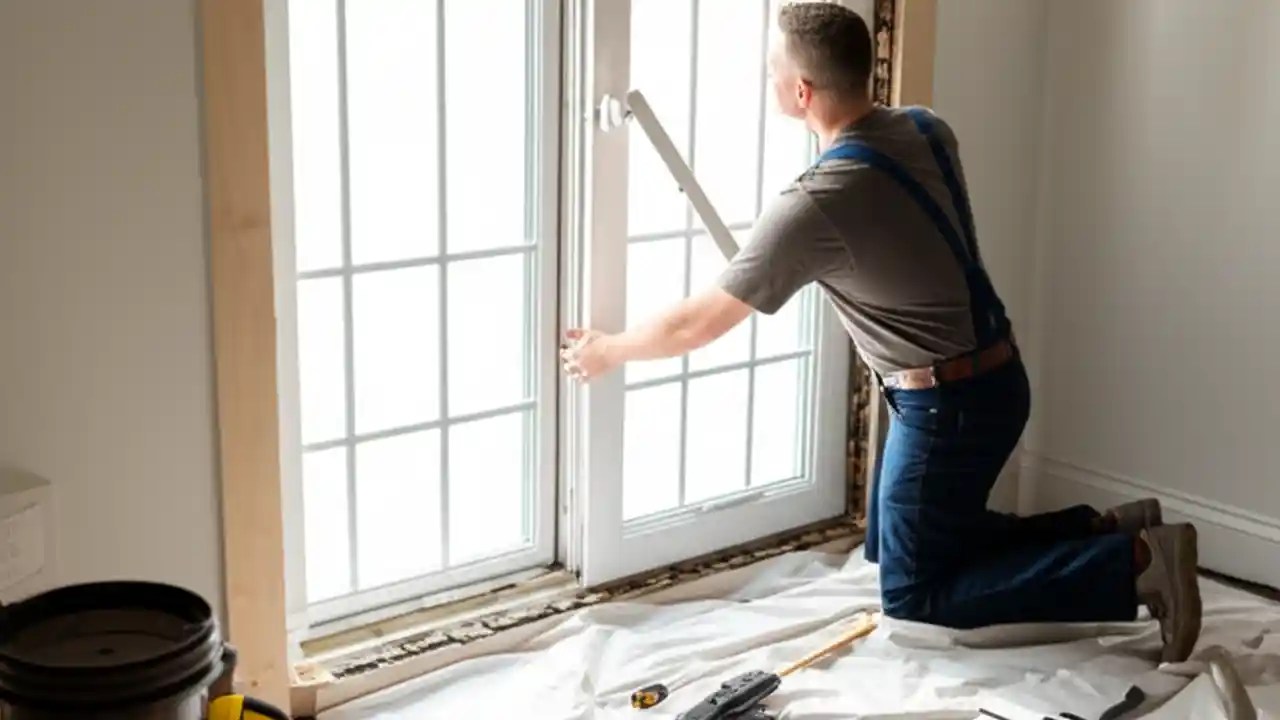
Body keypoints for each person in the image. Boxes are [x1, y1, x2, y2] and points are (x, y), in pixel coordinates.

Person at [560, 2, 1202, 662]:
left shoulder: (817, 201)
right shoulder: (926, 127)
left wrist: (610, 349)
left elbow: (696, 324)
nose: (765, 76)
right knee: (917, 541)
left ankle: (1136, 564)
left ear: (801, 92)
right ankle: (1107, 530)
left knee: (914, 592)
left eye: (772, 68)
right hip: (996, 379)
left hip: (948, 408)